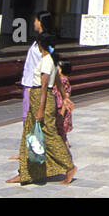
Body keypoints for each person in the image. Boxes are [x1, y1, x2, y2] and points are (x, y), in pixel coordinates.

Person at [8, 32, 75, 185]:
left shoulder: (46, 61)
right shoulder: (49, 60)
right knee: (29, 134)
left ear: (41, 45)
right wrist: (65, 97)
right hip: (38, 98)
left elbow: (44, 87)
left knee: (49, 135)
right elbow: (57, 80)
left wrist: (40, 110)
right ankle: (26, 172)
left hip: (41, 99)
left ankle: (69, 166)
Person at [53, 59, 75, 142]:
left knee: (61, 133)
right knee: (61, 133)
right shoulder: (57, 80)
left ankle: (65, 150)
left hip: (62, 110)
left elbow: (66, 97)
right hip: (57, 109)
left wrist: (62, 114)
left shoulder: (63, 81)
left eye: (58, 67)